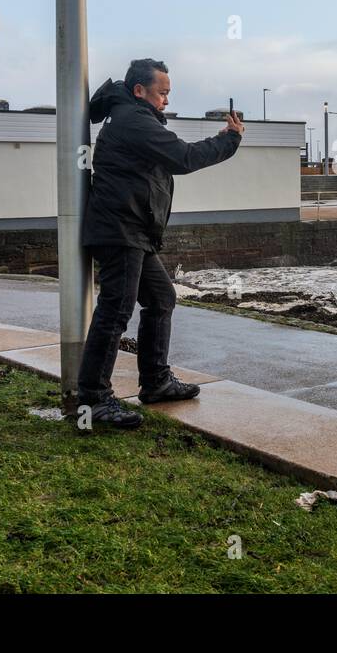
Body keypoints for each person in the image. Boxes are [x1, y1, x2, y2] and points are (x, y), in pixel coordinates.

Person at [77, 58, 244, 429]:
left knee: (161, 298)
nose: (166, 100)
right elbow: (183, 157)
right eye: (162, 93)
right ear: (140, 90)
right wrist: (228, 140)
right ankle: (93, 400)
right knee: (115, 312)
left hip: (133, 231)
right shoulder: (133, 120)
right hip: (120, 230)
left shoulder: (132, 117)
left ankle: (156, 382)